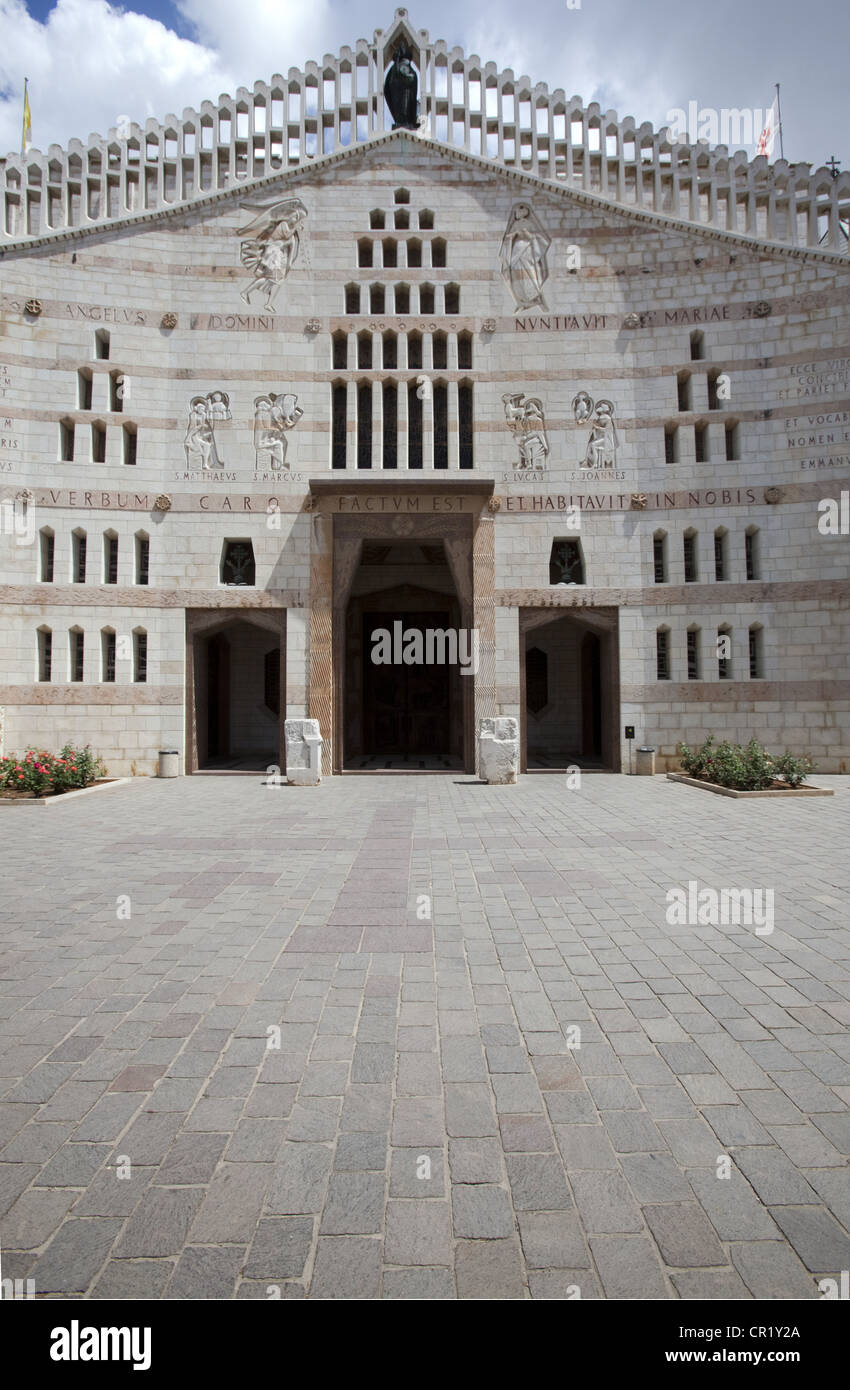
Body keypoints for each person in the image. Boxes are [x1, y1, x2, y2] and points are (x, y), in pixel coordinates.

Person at [499, 203, 550, 311]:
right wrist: (512, 235)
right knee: (516, 275)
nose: (515, 214)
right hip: (515, 251)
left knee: (529, 275)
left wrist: (527, 234)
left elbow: (536, 237)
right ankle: (522, 301)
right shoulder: (515, 225)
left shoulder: (529, 223)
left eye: (517, 212)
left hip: (526, 251)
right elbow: (508, 237)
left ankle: (536, 299)